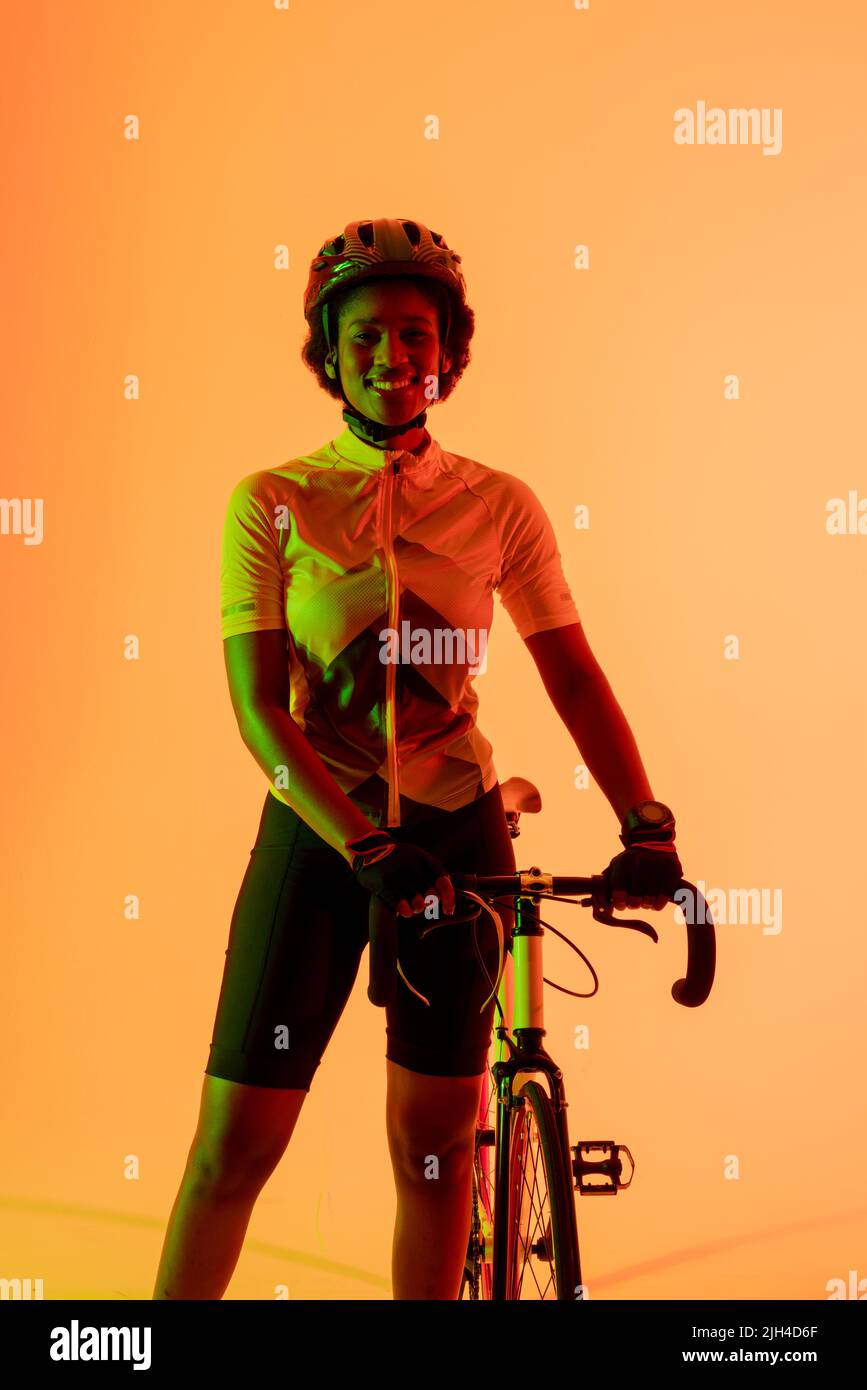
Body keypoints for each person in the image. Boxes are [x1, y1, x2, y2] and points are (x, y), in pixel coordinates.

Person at [152, 217, 684, 1301]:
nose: (394, 357)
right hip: (323, 837)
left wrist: (646, 821)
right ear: (328, 353)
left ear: (449, 349)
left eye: (415, 333)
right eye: (367, 336)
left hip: (454, 830)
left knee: (435, 1149)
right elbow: (261, 715)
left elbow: (572, 674)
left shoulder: (500, 505)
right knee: (235, 1146)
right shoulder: (274, 502)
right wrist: (361, 842)